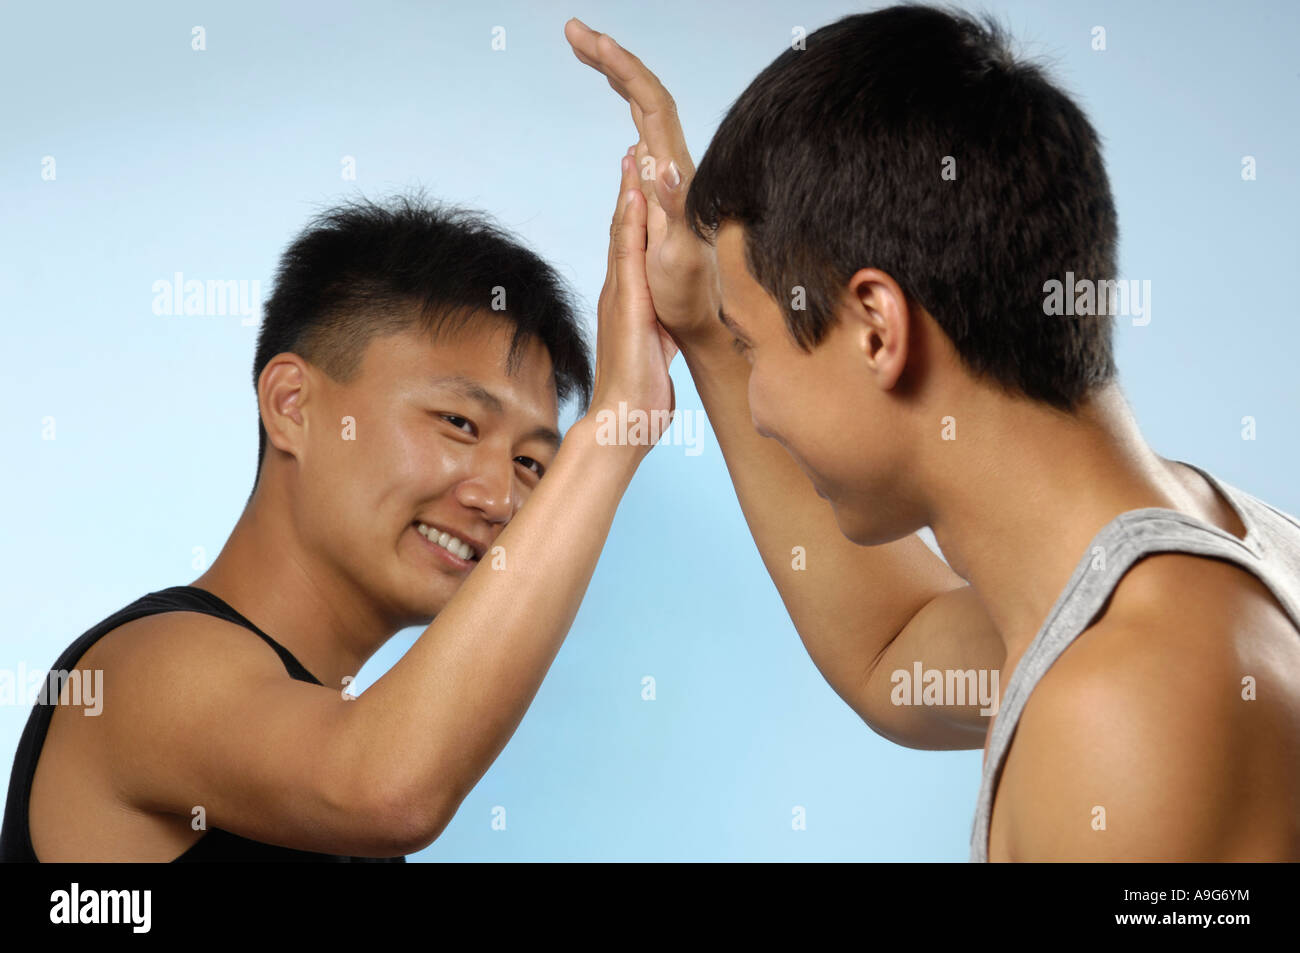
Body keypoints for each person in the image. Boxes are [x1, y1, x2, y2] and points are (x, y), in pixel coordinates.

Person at [564, 6, 1300, 861]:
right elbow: (894, 651)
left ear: (877, 328)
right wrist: (703, 324)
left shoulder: (1125, 704)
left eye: (751, 347)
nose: (759, 404)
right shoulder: (1206, 559)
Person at [0, 173, 676, 859]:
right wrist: (618, 427)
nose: (500, 499)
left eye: (533, 464)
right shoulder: (149, 670)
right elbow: (388, 789)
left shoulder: (334, 747)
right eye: (460, 423)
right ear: (293, 404)